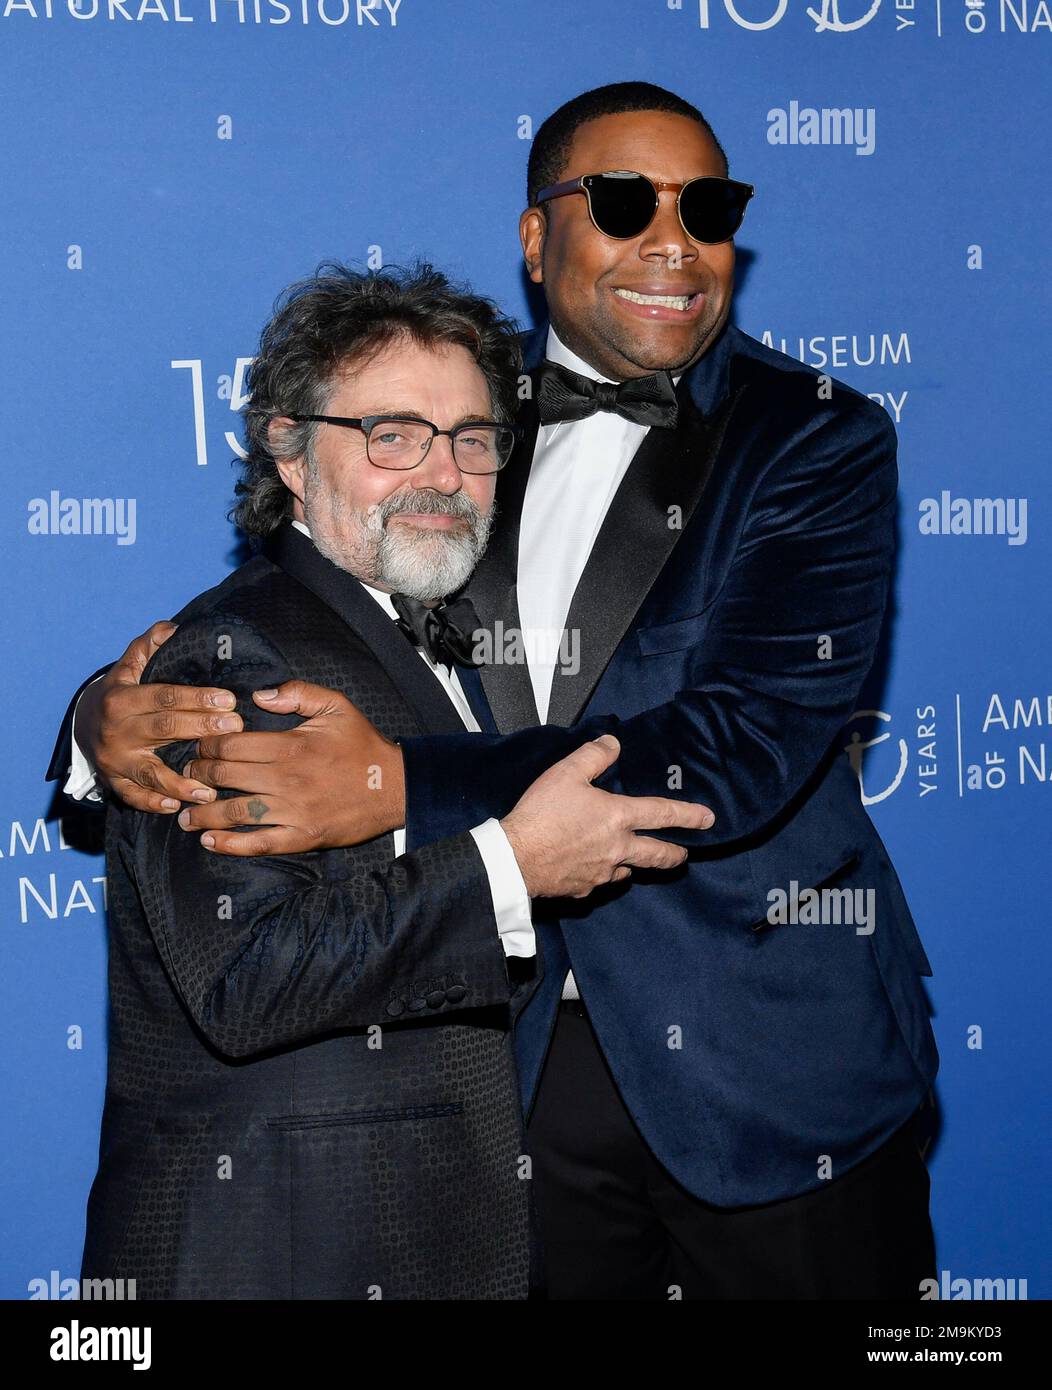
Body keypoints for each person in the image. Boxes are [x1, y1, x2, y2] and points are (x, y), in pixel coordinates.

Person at [51, 82, 939, 1300]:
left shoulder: (816, 436)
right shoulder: (459, 413)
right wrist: (106, 717)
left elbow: (740, 744)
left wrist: (390, 783)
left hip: (767, 1055)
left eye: (709, 206)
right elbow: (305, 611)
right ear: (536, 237)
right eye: (624, 202)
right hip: (502, 1077)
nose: (671, 242)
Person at [55, 262, 712, 1300]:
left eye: (472, 438)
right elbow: (248, 978)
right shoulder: (236, 656)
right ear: (289, 450)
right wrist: (511, 865)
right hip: (279, 1244)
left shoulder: (456, 637)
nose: (442, 473)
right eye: (392, 433)